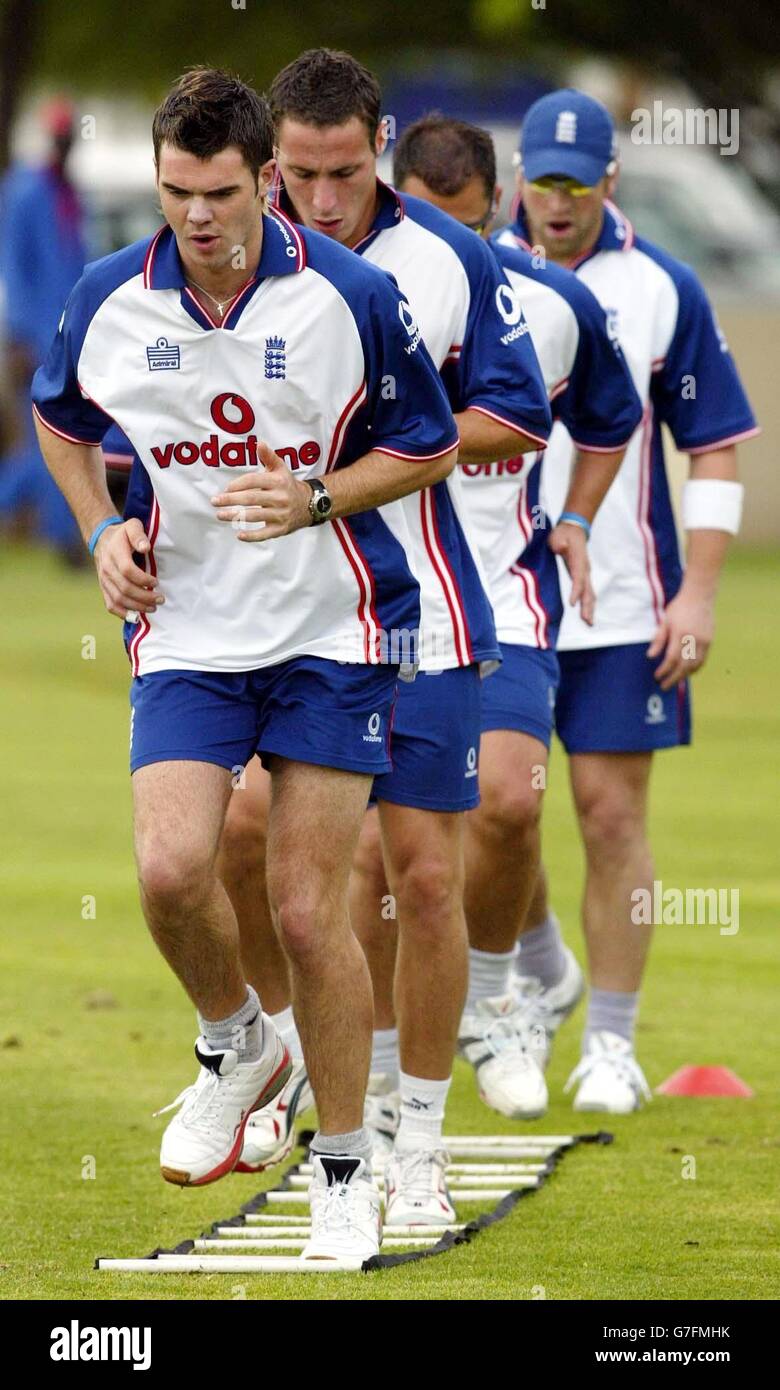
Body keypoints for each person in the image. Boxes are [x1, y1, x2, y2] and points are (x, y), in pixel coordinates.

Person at [31, 67, 462, 1265]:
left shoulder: (355, 295)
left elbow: (426, 442)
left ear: (265, 179)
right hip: (186, 635)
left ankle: (340, 1171)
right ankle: (238, 1043)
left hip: (334, 634)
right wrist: (98, 528)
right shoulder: (110, 294)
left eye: (218, 192)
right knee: (171, 871)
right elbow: (60, 418)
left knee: (305, 909)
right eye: (175, 193)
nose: (197, 218)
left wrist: (320, 495)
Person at [217, 48, 552, 1222]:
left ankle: (416, 1137)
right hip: (274, 614)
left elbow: (517, 411)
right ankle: (273, 1062)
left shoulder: (451, 260)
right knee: (248, 844)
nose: (318, 199)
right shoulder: (232, 257)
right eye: (296, 175)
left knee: (419, 874)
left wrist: (368, 459)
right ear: (269, 164)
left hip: (423, 612)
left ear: (381, 145)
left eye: (344, 171)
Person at [352, 115, 640, 1120]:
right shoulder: (338, 295)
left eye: (469, 232)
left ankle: (488, 997)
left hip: (502, 596)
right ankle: (374, 1073)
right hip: (370, 598)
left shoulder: (548, 306)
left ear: (495, 216)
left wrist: (575, 517)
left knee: (512, 802)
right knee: (370, 852)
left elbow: (611, 418)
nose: (451, 257)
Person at [491, 90, 758, 1112]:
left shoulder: (663, 287)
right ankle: (541, 963)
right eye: (540, 180)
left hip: (626, 606)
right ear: (520, 180)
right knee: (496, 816)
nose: (554, 203)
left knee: (608, 815)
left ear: (610, 181)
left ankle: (609, 1042)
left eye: (575, 183)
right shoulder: (482, 270)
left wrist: (698, 591)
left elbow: (715, 444)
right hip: (500, 598)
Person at [0, 98, 87, 560]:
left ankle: (62, 537)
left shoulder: (67, 191)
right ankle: (62, 540)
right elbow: (13, 264)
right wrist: (19, 335)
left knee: (58, 434)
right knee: (41, 443)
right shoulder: (26, 189)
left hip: (65, 335)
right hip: (31, 340)